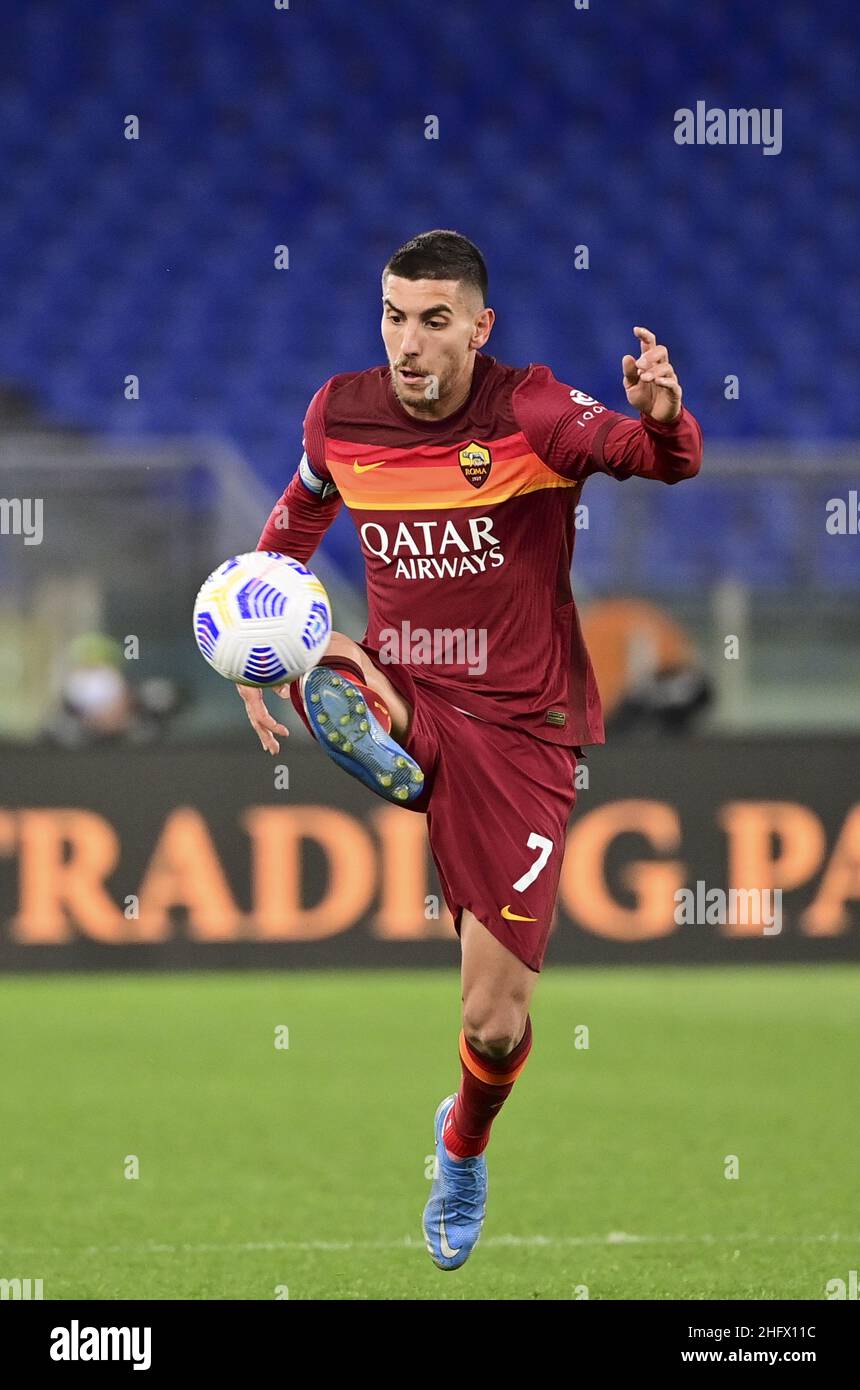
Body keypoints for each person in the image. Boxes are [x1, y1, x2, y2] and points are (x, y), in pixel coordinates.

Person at [236, 230, 702, 1270]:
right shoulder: (338, 412)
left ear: (477, 328)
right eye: (394, 316)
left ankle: (460, 1140)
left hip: (522, 730)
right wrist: (250, 641)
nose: (407, 342)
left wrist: (664, 418)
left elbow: (656, 459)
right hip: (408, 684)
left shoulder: (533, 411)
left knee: (492, 1024)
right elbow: (293, 523)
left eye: (433, 320)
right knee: (320, 661)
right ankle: (355, 714)